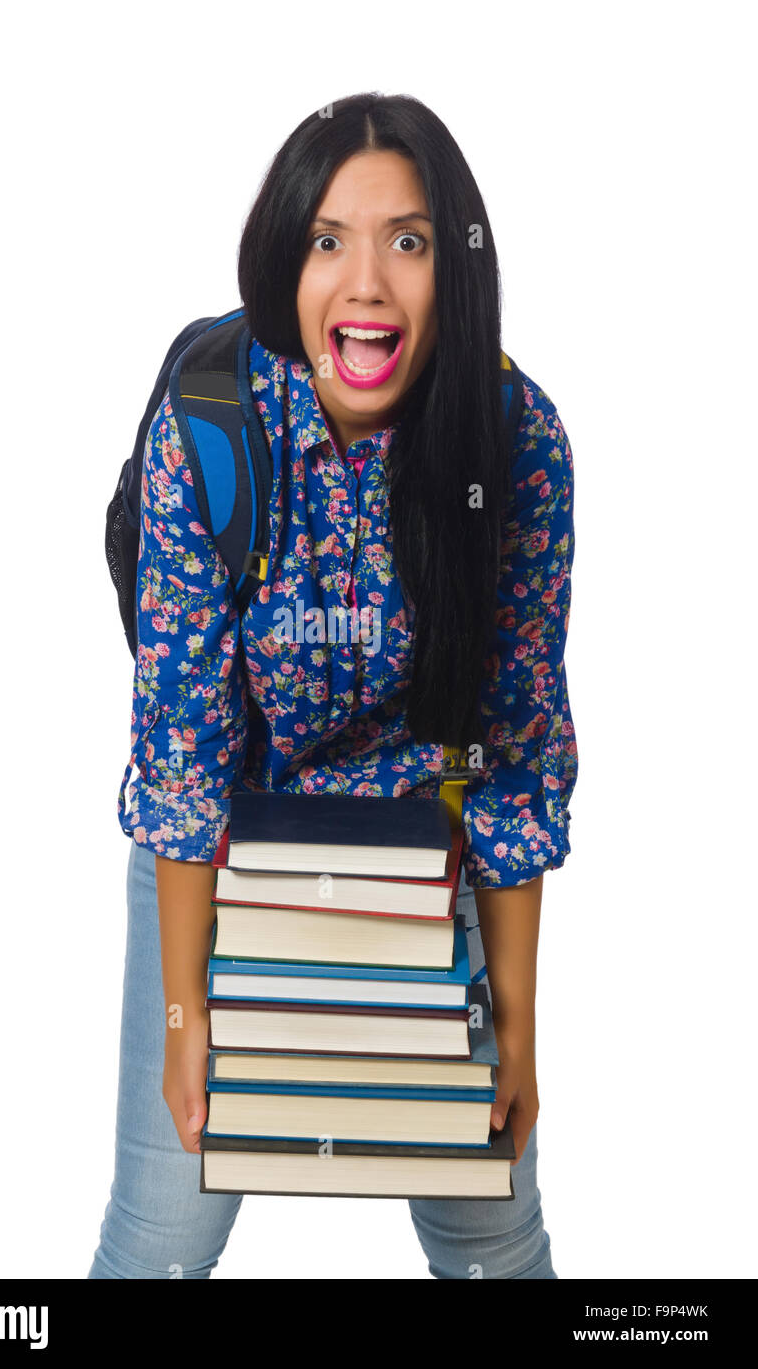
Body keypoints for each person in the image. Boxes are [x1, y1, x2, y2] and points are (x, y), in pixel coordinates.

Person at [88, 91, 578, 1280]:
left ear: (453, 271)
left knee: (492, 1242)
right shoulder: (209, 424)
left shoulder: (516, 444)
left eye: (407, 241)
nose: (366, 282)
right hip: (234, 823)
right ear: (282, 262)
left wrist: (514, 1017)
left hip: (432, 835)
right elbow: (183, 754)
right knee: (162, 1241)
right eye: (327, 240)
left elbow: (513, 754)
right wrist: (184, 1015)